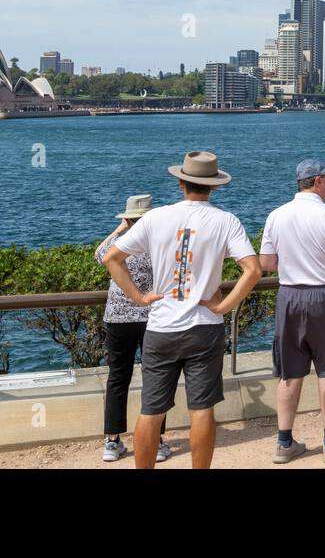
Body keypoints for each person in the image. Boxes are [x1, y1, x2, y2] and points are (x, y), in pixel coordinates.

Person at [102, 151, 262, 469]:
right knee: (201, 410)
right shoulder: (226, 221)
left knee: (151, 410)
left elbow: (111, 259)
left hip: (161, 327)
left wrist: (139, 297)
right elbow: (253, 270)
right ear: (214, 187)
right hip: (205, 326)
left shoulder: (155, 218)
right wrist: (225, 307)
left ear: (180, 183)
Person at [259, 158, 325, 464]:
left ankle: (284, 442)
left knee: (288, 373)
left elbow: (266, 263)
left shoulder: (275, 215)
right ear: (318, 181)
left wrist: (295, 262)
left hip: (289, 296)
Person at [94, 194, 171, 463]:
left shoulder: (116, 245)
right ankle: (157, 441)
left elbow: (99, 254)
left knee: (118, 378)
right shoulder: (156, 244)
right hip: (152, 318)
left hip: (117, 319)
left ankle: (112, 442)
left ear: (127, 219)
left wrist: (120, 228)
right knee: (156, 379)